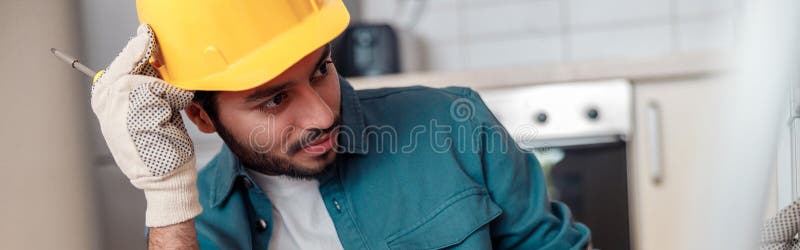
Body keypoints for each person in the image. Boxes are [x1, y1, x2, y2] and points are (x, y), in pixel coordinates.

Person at [90, 0, 591, 249]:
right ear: (200, 114)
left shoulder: (452, 124)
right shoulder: (198, 224)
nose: (323, 115)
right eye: (274, 100)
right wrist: (167, 198)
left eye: (321, 70)